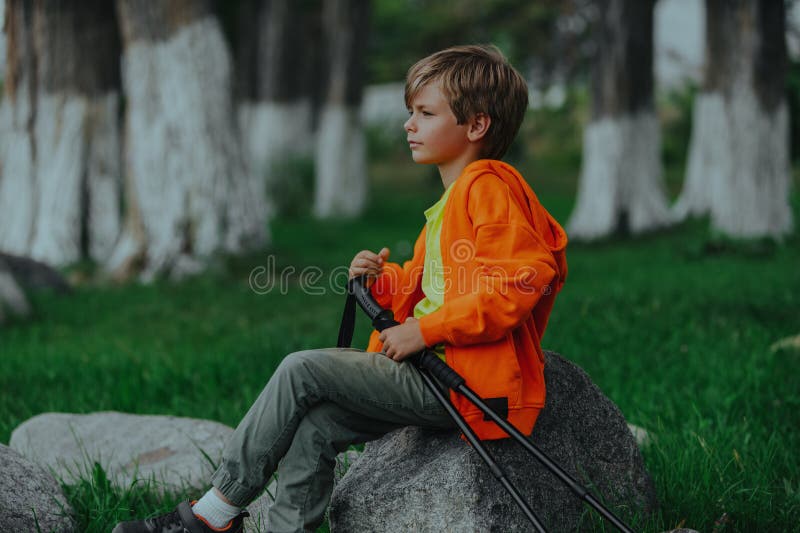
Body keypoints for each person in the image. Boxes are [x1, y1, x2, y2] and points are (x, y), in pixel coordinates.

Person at [112, 43, 567, 533]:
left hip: (466, 382)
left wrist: (424, 330)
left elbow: (521, 281)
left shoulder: (487, 187)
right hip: (439, 372)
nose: (408, 125)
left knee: (302, 369)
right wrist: (382, 283)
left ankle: (214, 513)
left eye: (425, 113)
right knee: (317, 426)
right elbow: (437, 285)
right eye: (410, 112)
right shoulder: (454, 200)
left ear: (476, 125)